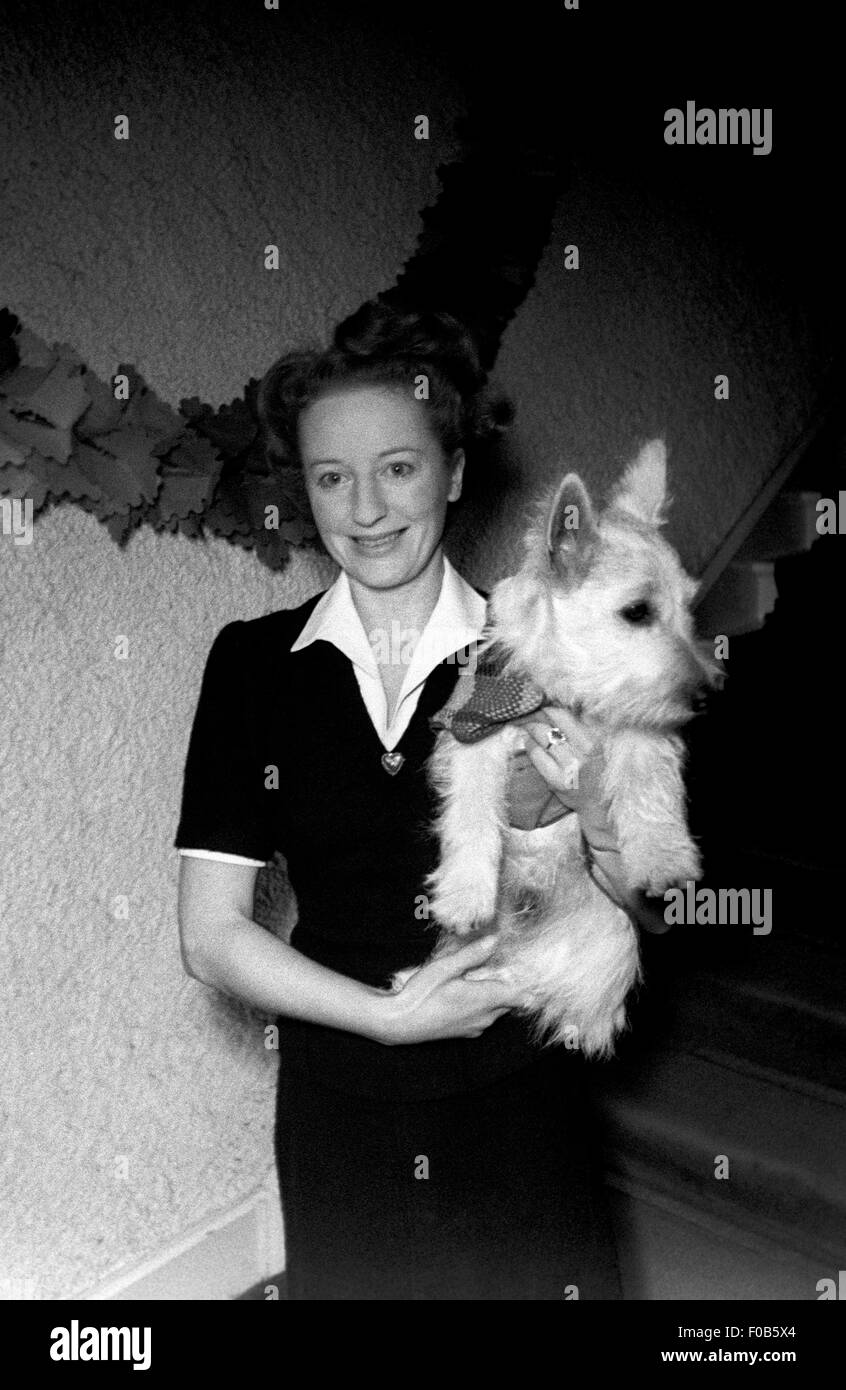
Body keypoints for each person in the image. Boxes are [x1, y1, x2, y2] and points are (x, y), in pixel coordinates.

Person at [174, 302, 658, 1301]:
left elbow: (646, 903)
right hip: (340, 1103)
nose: (365, 508)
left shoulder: (546, 653)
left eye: (397, 467)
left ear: (455, 471)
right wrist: (382, 1019)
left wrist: (601, 805)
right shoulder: (253, 667)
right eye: (330, 477)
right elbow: (210, 936)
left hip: (518, 1099)